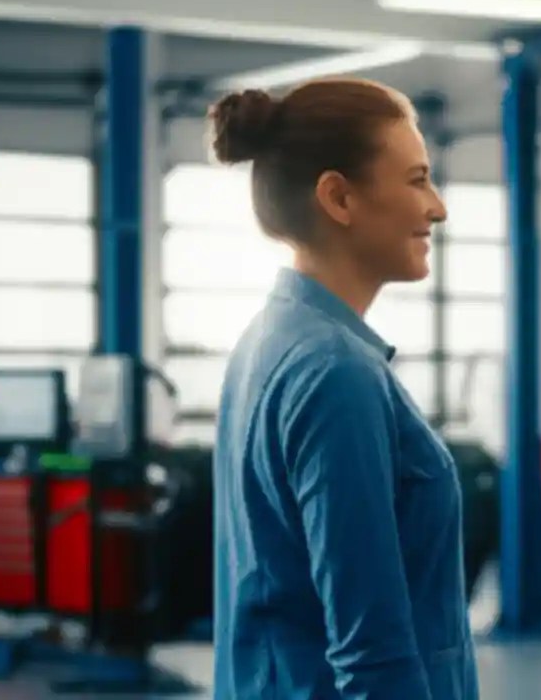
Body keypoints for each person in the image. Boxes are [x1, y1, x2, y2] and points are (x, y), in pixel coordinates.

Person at [209, 77, 478, 700]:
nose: (437, 207)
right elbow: (371, 653)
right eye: (416, 180)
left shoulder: (272, 339)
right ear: (339, 197)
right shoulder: (335, 372)